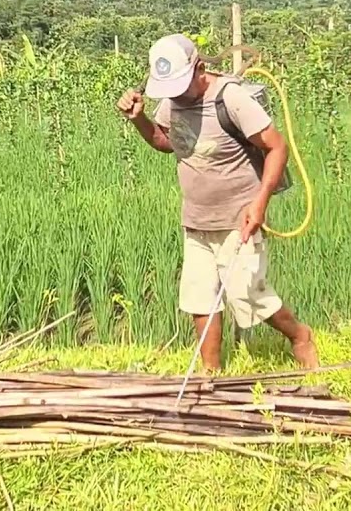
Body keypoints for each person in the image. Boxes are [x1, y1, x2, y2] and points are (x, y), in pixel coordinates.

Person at [116, 33, 318, 371]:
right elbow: (167, 143)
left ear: (198, 68)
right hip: (196, 219)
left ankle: (300, 336)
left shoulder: (231, 99)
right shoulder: (173, 98)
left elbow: (277, 147)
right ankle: (211, 372)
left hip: (238, 217)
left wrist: (260, 204)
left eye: (181, 85)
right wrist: (139, 118)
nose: (176, 95)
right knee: (199, 298)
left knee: (247, 294)